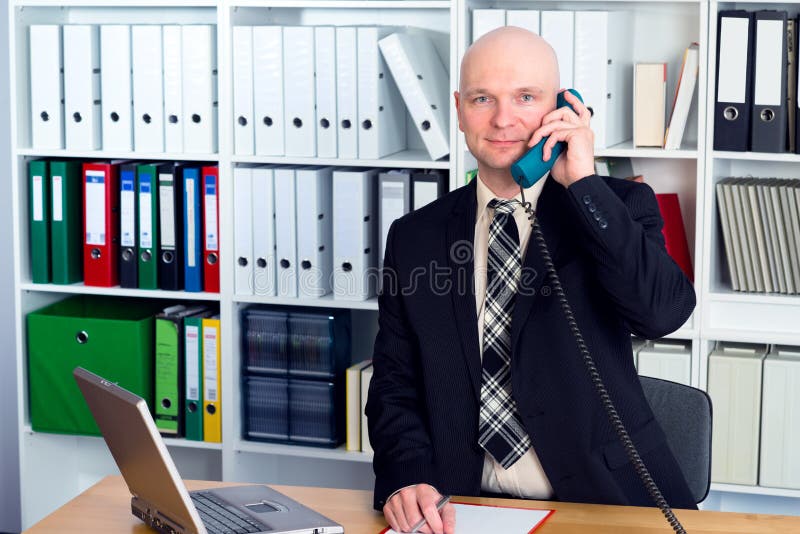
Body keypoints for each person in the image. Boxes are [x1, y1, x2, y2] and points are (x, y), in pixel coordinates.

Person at [365, 26, 696, 534]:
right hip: (460, 510)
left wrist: (582, 181)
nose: (503, 119)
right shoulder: (414, 237)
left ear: (562, 107)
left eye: (525, 96)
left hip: (600, 504)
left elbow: (664, 312)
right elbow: (394, 382)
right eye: (482, 98)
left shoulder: (616, 207)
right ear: (458, 108)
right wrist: (407, 477)